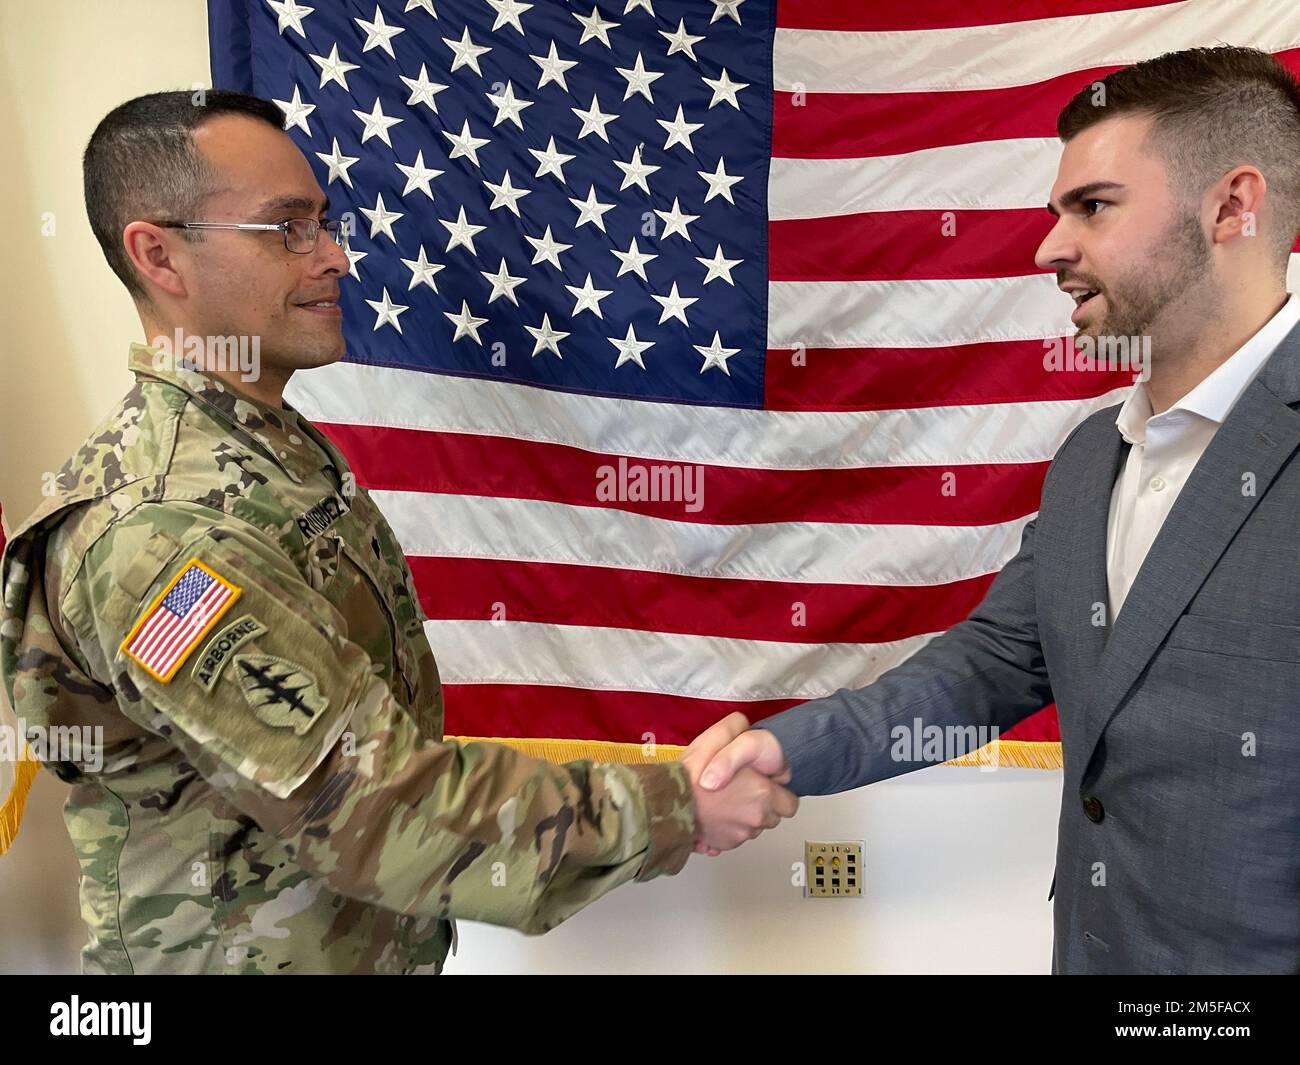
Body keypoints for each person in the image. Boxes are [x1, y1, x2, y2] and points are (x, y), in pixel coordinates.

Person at [0, 90, 795, 975]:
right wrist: (673, 805)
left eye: (324, 223)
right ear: (160, 255)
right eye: (287, 229)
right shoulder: (164, 532)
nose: (333, 257)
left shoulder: (271, 456)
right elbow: (370, 806)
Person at [693, 46, 1300, 975]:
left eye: (1092, 206)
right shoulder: (1093, 457)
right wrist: (782, 751)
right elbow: (986, 669)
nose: (1049, 248)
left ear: (1231, 206)